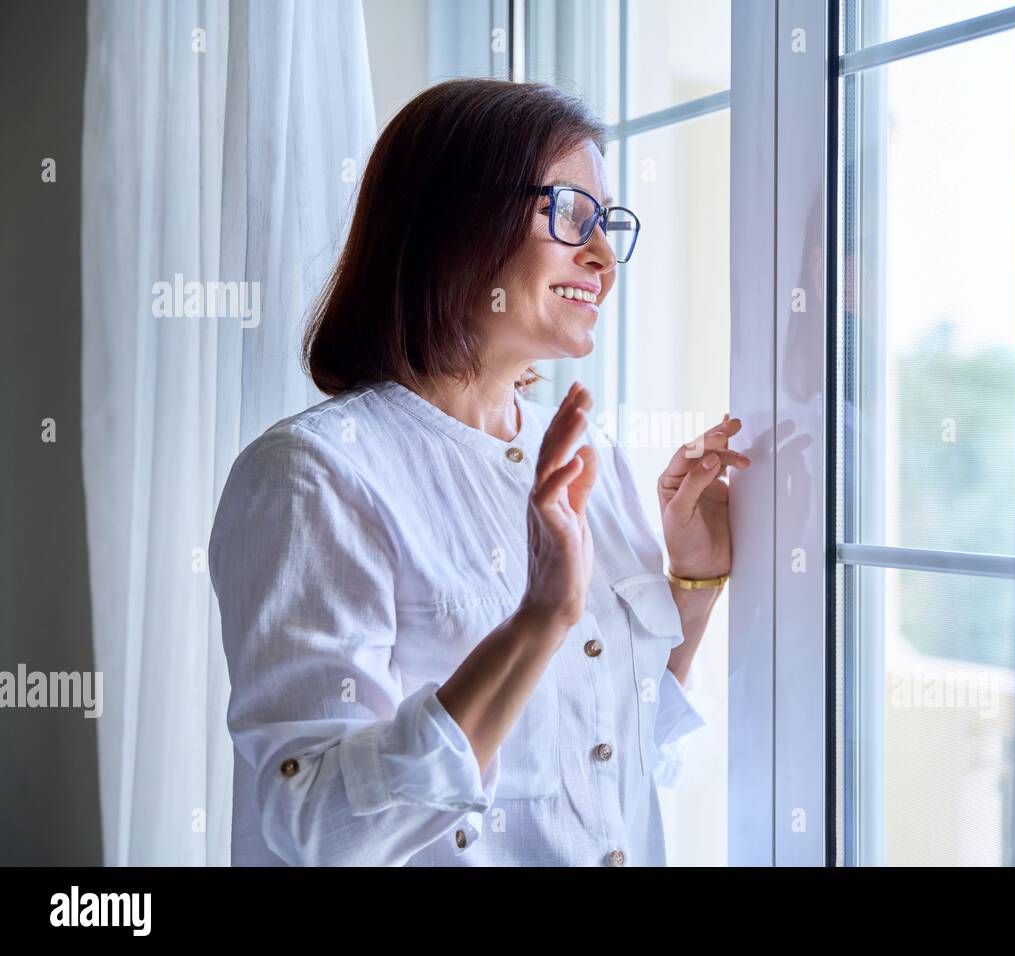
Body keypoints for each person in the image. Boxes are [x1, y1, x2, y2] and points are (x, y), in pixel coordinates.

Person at [208, 78, 747, 866]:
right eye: (571, 216)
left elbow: (621, 755)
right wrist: (537, 622)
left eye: (608, 226)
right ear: (455, 221)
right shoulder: (312, 479)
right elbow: (317, 826)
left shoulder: (593, 460)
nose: (602, 258)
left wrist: (694, 585)